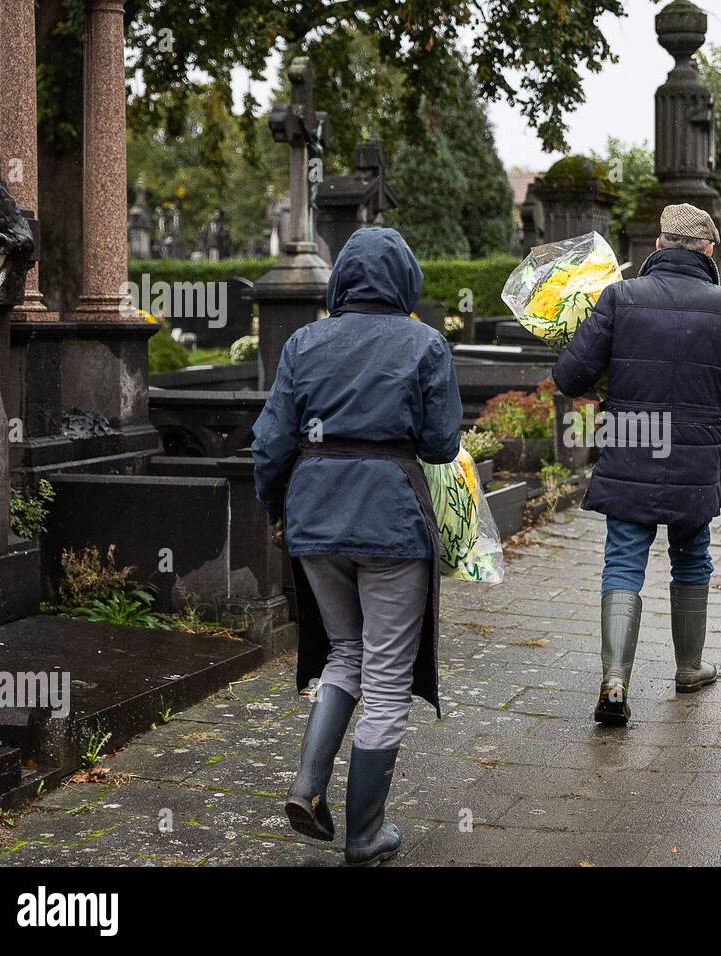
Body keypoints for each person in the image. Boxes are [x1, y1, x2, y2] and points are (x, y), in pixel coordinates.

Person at [251, 227, 462, 866]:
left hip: (315, 517)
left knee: (345, 652)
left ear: (342, 279)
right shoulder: (424, 344)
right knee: (389, 674)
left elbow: (270, 442)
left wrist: (277, 509)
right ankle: (364, 834)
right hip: (390, 520)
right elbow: (441, 444)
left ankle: (309, 785)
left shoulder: (304, 342)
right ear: (404, 281)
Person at [552, 203, 721, 727]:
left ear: (660, 245)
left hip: (630, 445)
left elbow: (570, 378)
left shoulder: (619, 297)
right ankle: (689, 666)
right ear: (708, 249)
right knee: (693, 556)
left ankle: (615, 680)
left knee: (623, 559)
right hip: (695, 452)